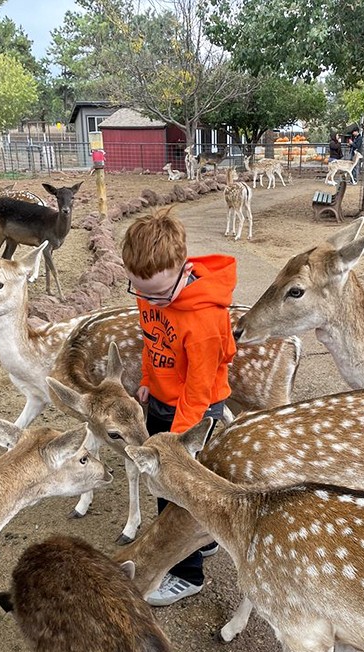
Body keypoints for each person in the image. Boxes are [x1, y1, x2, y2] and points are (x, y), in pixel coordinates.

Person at [121, 207, 237, 606]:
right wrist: (148, 382)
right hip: (163, 402)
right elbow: (154, 343)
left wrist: (175, 444)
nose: (148, 300)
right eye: (139, 290)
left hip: (194, 412)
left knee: (176, 490)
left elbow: (199, 389)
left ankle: (187, 575)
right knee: (165, 489)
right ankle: (201, 544)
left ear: (182, 267)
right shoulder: (151, 294)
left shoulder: (203, 321)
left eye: (156, 293)